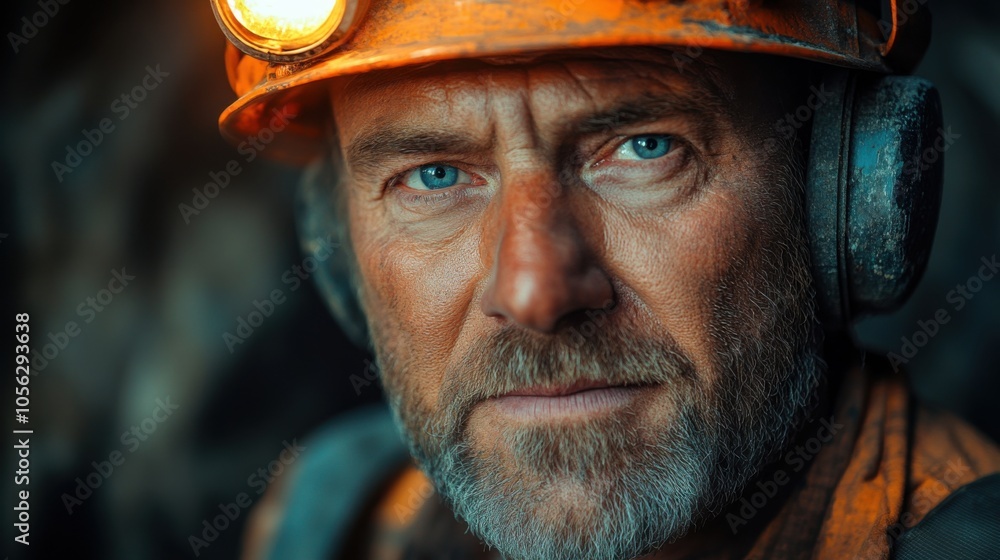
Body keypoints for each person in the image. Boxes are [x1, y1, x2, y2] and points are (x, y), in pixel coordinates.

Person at [208, 1, 1000, 558]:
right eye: (434, 175)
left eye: (646, 149)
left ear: (847, 198)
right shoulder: (341, 517)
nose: (537, 295)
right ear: (338, 245)